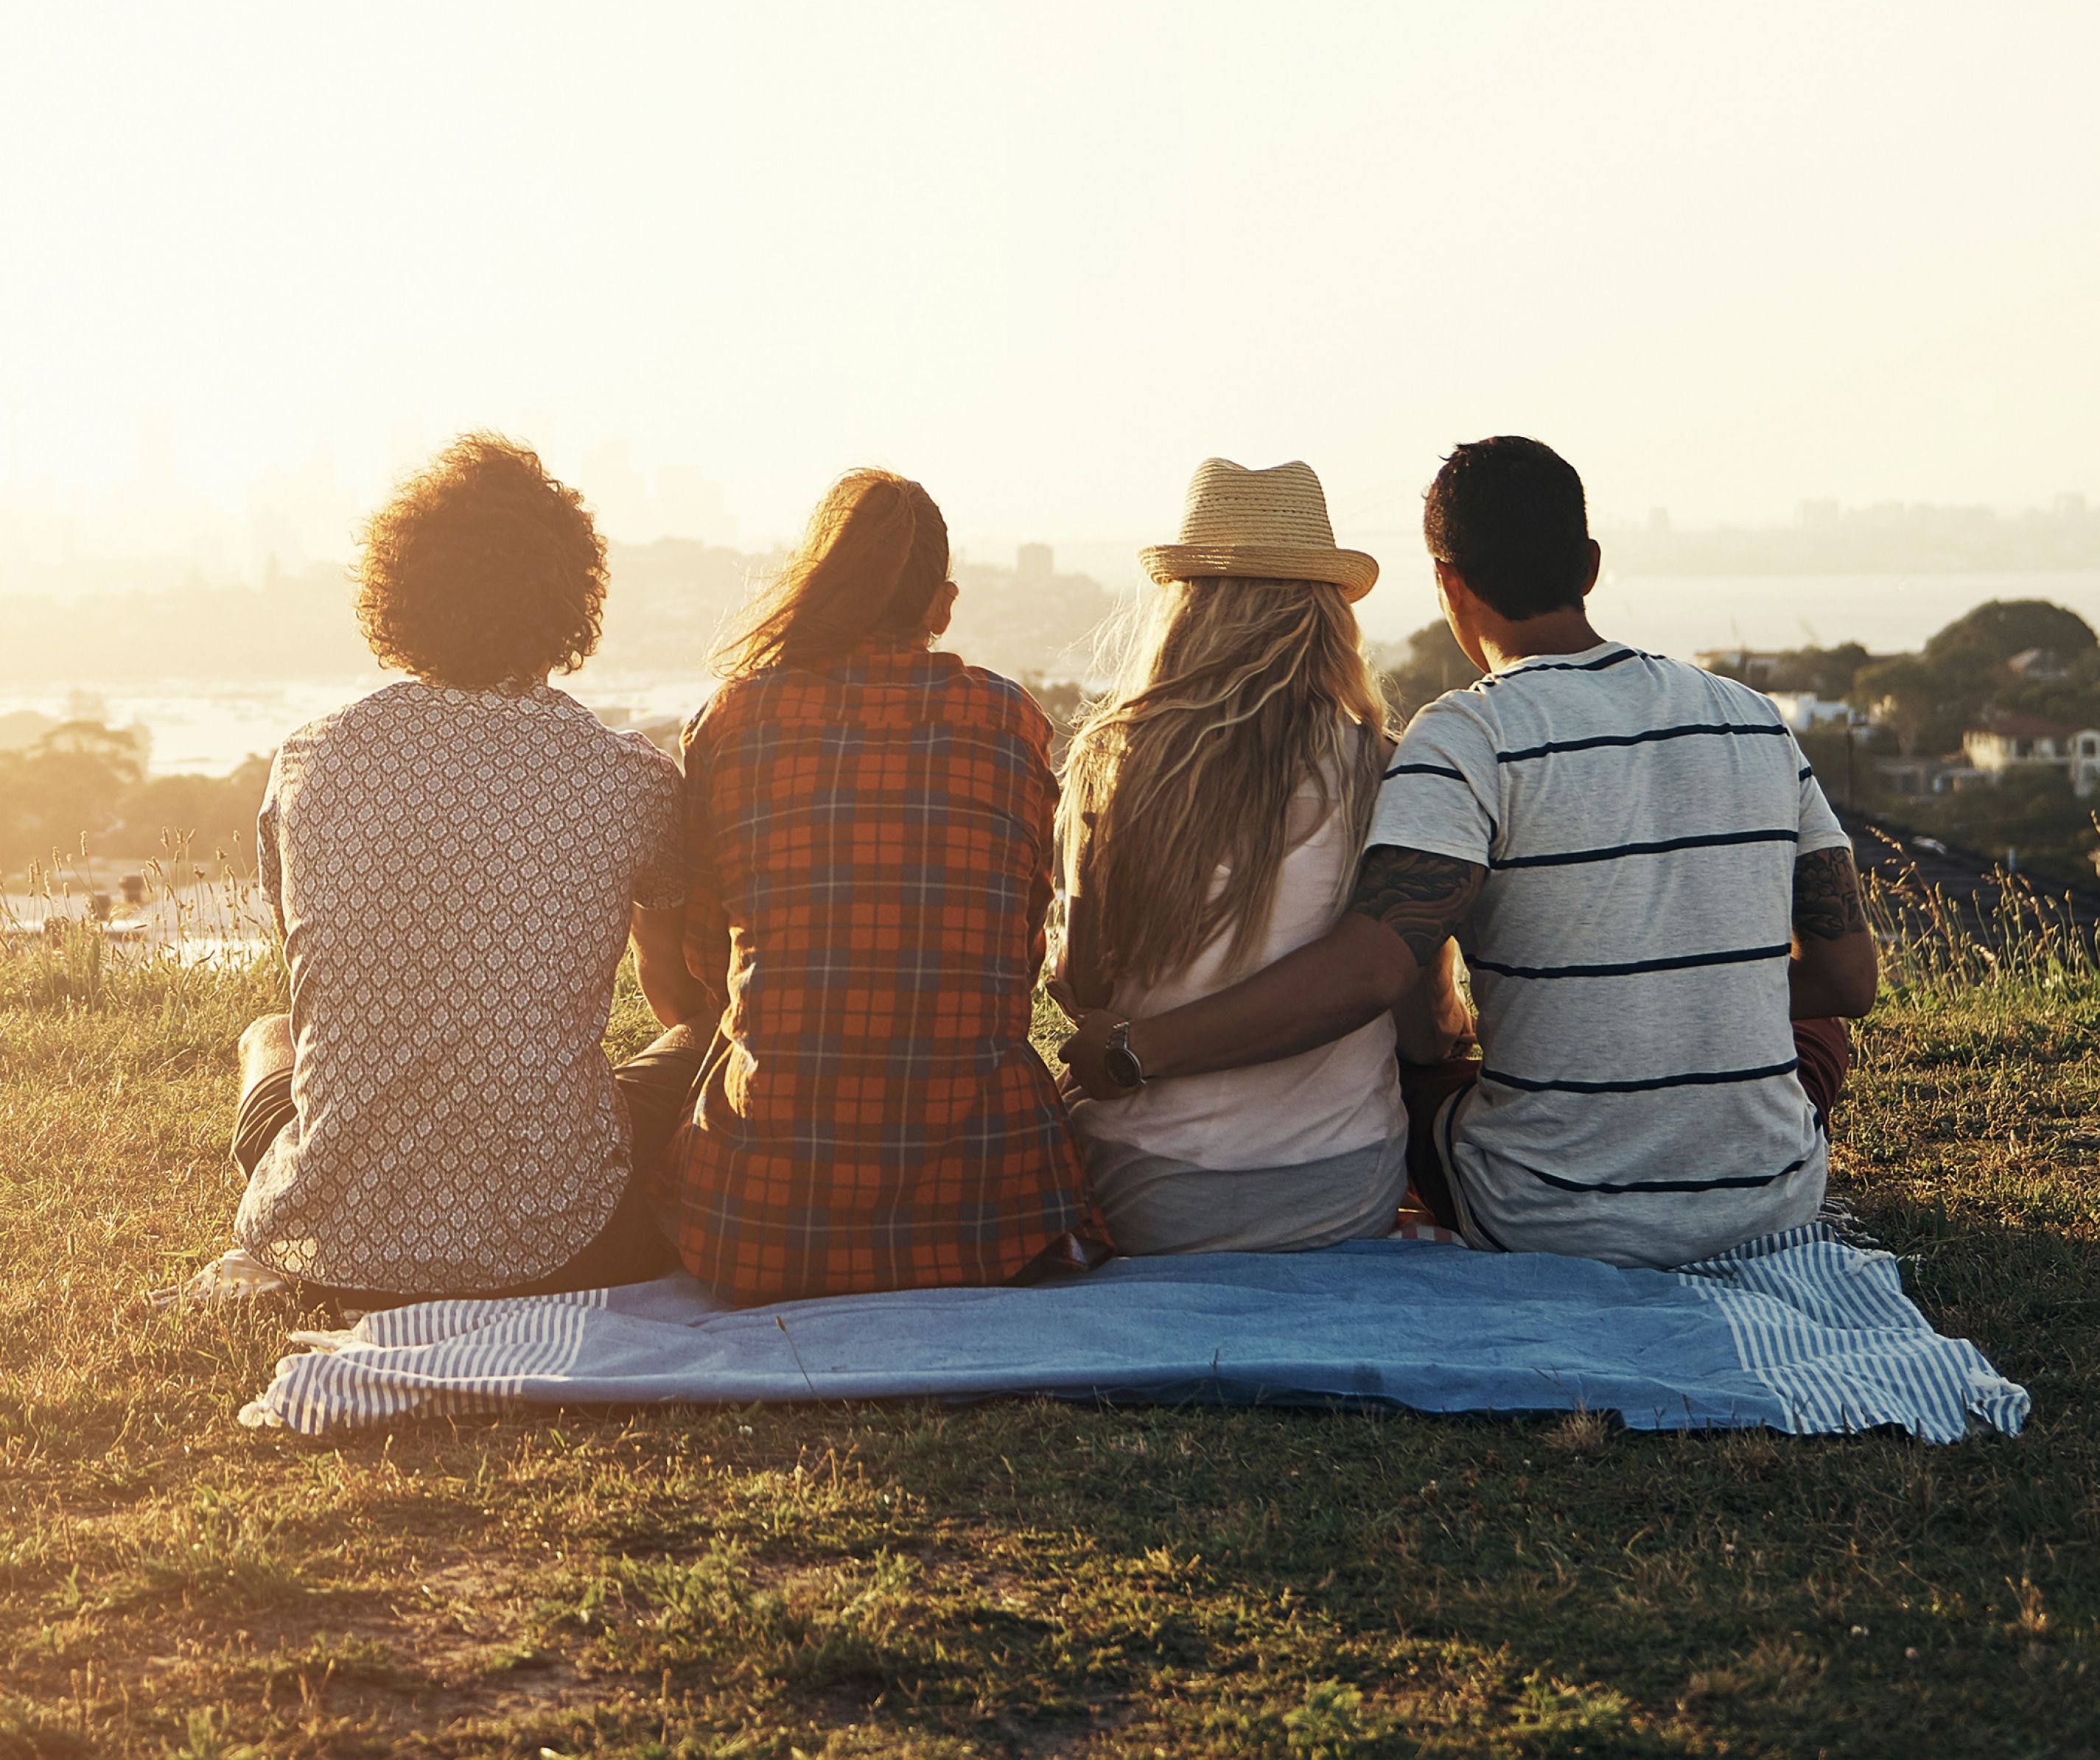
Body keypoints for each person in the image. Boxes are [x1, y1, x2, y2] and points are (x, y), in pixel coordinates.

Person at [1061, 438, 1878, 1269]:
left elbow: (1372, 971)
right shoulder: (1752, 717)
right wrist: (1688, 998)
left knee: (1428, 1087)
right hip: (1775, 1202)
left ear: (1448, 583)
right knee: (1816, 1030)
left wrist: (1139, 1048)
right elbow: (1850, 979)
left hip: (1542, 1213)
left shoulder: (1466, 735)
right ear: (1590, 566)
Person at [228, 435, 702, 1305]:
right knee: (701, 1041)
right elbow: (674, 993)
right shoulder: (627, 779)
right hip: (558, 1246)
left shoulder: (309, 763)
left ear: (400, 592)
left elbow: (315, 979)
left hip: (329, 1241)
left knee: (268, 1034)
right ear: (568, 600)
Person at [634, 468, 1104, 1307]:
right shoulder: (1009, 721)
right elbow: (1018, 948)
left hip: (764, 1227)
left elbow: (708, 956)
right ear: (944, 605)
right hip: (997, 1210)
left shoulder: (731, 722)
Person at [1053, 457, 1416, 1253]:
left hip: (1147, 1189)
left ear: (1185, 609)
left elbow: (1085, 987)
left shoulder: (1111, 763)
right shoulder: (1382, 768)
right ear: (1325, 613)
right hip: (1343, 1186)